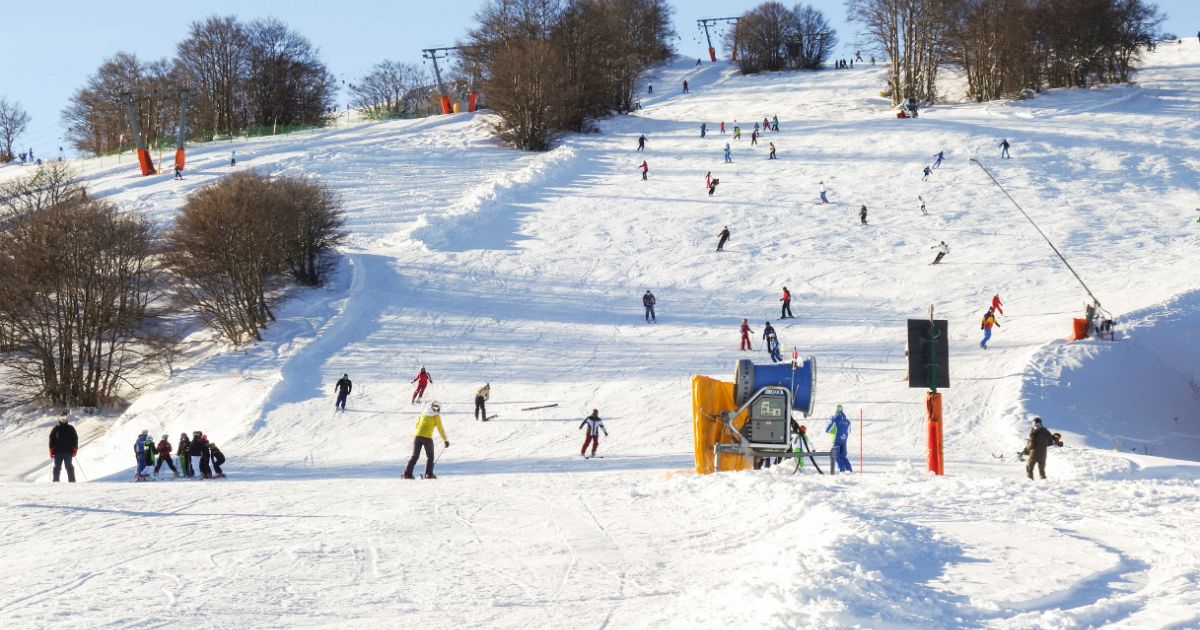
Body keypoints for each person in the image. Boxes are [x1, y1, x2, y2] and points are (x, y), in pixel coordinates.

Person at [404, 402, 448, 479]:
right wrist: (445, 440)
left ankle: (407, 474)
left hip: (417, 436)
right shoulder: (436, 416)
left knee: (415, 456)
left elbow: (417, 424)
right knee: (430, 457)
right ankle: (428, 474)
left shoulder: (423, 413)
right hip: (427, 437)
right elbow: (440, 429)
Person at [48, 411, 78, 483]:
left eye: (65, 417)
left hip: (68, 452)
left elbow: (75, 438)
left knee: (69, 467)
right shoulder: (56, 428)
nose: (64, 419)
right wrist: (51, 449)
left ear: (67, 419)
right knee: (57, 468)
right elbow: (51, 439)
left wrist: (75, 449)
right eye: (62, 417)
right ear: (60, 418)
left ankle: (72, 481)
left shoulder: (71, 428)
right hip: (58, 452)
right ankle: (55, 481)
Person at [825, 404, 853, 473]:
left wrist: (831, 422)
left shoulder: (835, 419)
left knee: (837, 457)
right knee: (844, 457)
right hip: (844, 442)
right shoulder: (848, 421)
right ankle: (849, 471)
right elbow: (849, 431)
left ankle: (842, 472)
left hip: (836, 441)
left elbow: (827, 430)